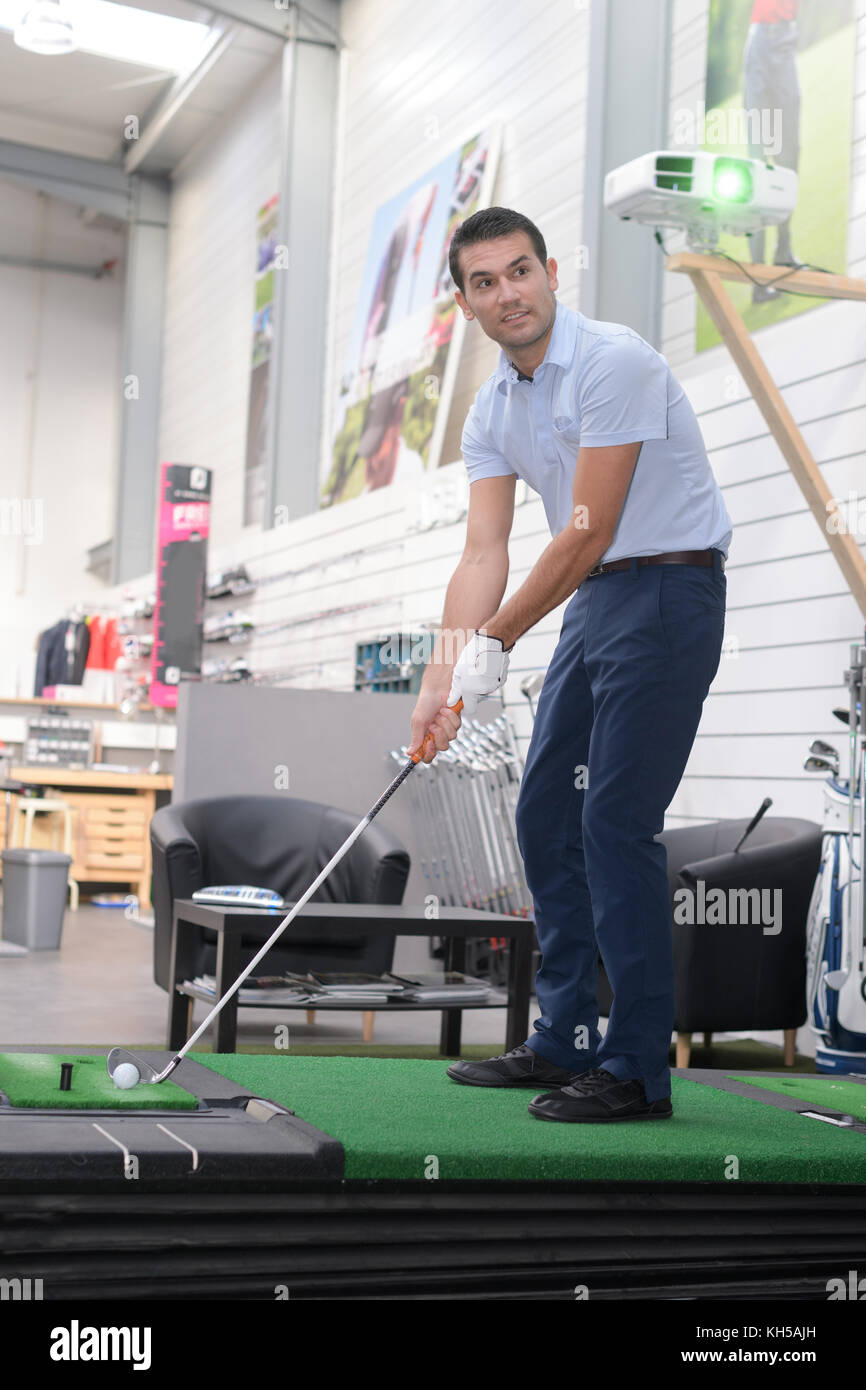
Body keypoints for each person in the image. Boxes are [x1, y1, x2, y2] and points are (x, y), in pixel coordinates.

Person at [407, 206, 733, 1122]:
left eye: (520, 271)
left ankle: (635, 1067)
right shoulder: (491, 410)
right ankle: (566, 1037)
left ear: (551, 271)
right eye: (485, 282)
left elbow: (586, 530)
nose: (508, 292)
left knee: (616, 822)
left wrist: (499, 642)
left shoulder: (614, 360)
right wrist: (440, 684)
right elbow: (482, 553)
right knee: (547, 809)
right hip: (595, 605)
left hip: (669, 592)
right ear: (465, 305)